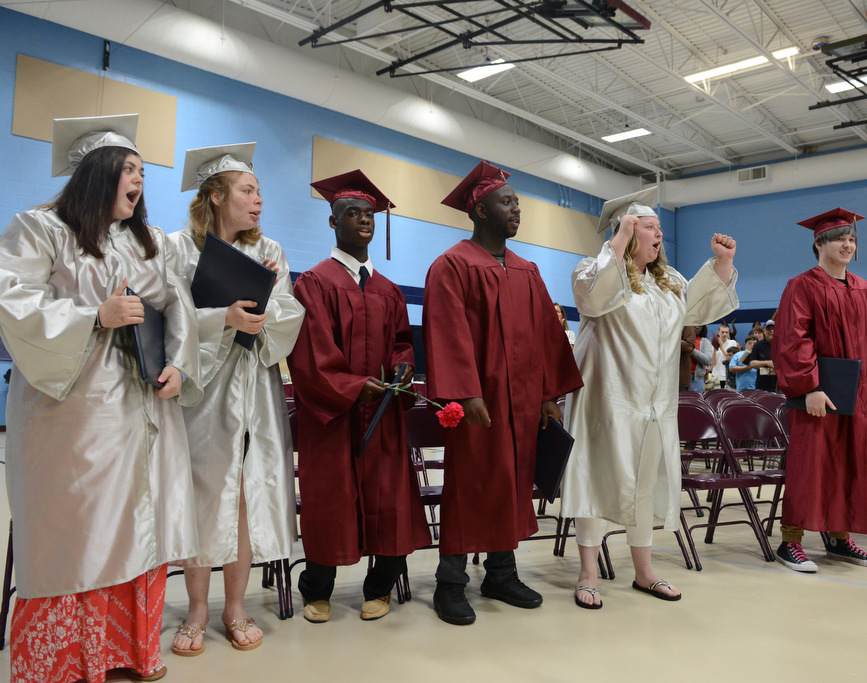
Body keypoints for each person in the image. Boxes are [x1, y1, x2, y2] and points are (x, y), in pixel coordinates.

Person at [0, 114, 201, 682]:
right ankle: (62, 663)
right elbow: (11, 300)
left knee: (142, 522)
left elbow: (177, 305)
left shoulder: (146, 242)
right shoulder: (41, 229)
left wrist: (180, 364)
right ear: (97, 173)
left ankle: (130, 651)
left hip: (142, 412)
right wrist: (94, 316)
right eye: (129, 170)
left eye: (142, 172)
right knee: (77, 529)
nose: (139, 182)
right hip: (71, 413)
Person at [422, 161, 582, 625]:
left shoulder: (527, 270)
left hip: (523, 403)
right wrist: (465, 392)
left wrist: (549, 393)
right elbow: (446, 335)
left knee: (512, 484)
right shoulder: (451, 266)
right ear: (479, 209)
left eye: (517, 203)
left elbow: (545, 337)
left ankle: (501, 572)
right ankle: (450, 581)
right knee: (470, 485)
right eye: (506, 202)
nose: (516, 210)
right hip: (478, 404)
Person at [562, 187, 738, 608]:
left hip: (656, 405)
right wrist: (618, 240)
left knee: (647, 481)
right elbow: (593, 295)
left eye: (660, 227)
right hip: (607, 401)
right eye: (649, 226)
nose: (660, 233)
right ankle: (588, 573)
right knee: (594, 478)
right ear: (626, 230)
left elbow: (698, 305)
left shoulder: (669, 280)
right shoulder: (595, 269)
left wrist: (722, 263)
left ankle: (644, 571)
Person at [168, 144, 303, 655]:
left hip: (254, 385)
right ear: (217, 195)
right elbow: (169, 317)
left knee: (246, 497)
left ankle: (236, 606)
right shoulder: (179, 249)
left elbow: (289, 312)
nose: (259, 200)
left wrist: (267, 308)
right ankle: (197, 609)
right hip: (203, 389)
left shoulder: (269, 250)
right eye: (248, 191)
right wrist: (221, 318)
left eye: (260, 191)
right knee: (205, 496)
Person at [289, 170, 431, 624]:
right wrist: (352, 387)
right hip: (332, 417)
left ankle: (381, 586)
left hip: (383, 413)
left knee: (389, 499)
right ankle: (317, 590)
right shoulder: (313, 283)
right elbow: (311, 355)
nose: (363, 219)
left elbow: (402, 342)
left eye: (369, 213)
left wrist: (404, 365)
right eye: (352, 213)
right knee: (330, 501)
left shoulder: (388, 290)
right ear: (333, 223)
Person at [772, 208, 867, 573]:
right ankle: (790, 541)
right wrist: (810, 387)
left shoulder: (865, 289)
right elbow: (794, 339)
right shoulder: (802, 285)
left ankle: (840, 539)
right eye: (840, 238)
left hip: (858, 395)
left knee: (851, 465)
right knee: (811, 466)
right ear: (819, 243)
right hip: (817, 395)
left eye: (852, 239)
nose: (847, 244)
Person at [748, 319, 778, 391]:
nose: (771, 331)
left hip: (780, 385)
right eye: (769, 329)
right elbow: (752, 363)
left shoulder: (783, 345)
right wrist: (767, 363)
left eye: (774, 329)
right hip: (762, 386)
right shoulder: (758, 345)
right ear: (764, 331)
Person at [709, 322, 732, 388]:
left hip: (727, 376)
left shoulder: (732, 343)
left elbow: (730, 359)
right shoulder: (712, 345)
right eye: (722, 332)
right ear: (718, 333)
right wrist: (714, 348)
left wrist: (721, 347)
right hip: (716, 376)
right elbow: (713, 363)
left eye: (726, 332)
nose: (724, 334)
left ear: (729, 333)